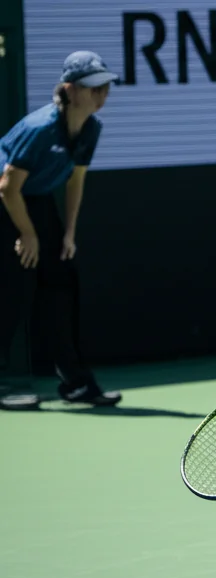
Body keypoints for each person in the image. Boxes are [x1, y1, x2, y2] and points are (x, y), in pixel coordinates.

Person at [0, 51, 122, 410]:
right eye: (93, 87)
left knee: (61, 288)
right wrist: (28, 234)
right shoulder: (39, 128)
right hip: (7, 202)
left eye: (105, 86)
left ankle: (77, 382)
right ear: (70, 90)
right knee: (10, 293)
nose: (102, 94)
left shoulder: (92, 128)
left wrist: (68, 232)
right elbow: (7, 187)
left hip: (35, 203)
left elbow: (75, 181)